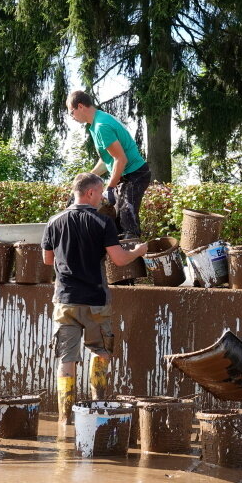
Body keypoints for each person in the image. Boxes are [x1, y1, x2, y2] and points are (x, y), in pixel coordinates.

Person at [42, 172, 148, 425]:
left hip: (65, 300)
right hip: (96, 301)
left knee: (66, 360)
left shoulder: (54, 220)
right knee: (100, 353)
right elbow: (120, 260)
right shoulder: (102, 223)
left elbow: (47, 260)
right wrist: (138, 251)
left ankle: (65, 419)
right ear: (89, 192)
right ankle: (97, 407)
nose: (103, 198)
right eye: (100, 193)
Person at [65, 91, 151, 239]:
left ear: (80, 106)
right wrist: (84, 180)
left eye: (71, 112)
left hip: (135, 174)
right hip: (126, 174)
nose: (72, 117)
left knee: (126, 218)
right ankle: (119, 258)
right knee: (115, 221)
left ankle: (131, 256)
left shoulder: (101, 126)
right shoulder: (97, 122)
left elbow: (121, 159)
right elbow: (107, 160)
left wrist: (110, 187)